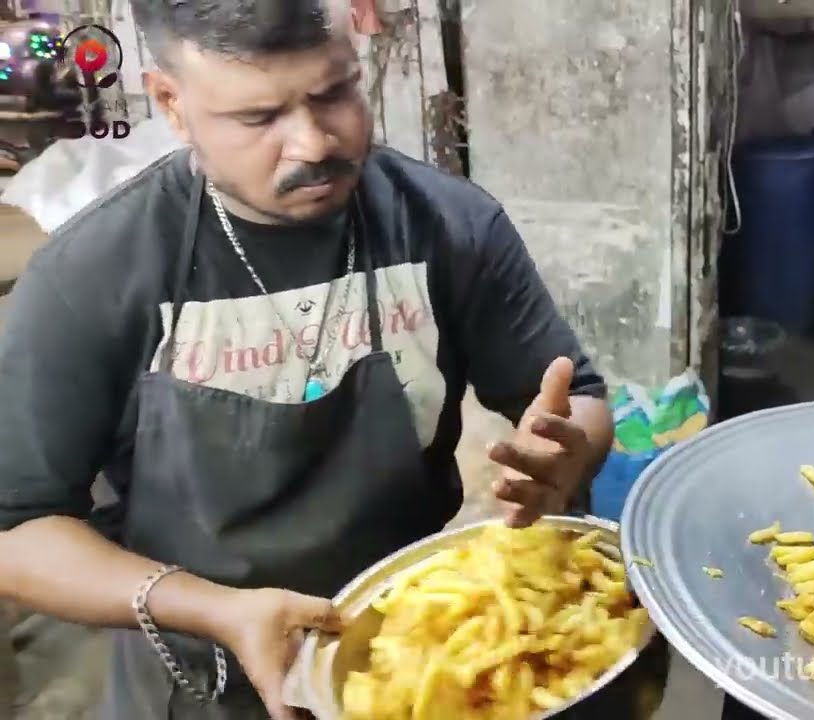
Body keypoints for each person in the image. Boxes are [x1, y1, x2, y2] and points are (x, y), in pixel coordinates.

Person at [0, 0, 615, 717]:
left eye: (335, 93)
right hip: (201, 676)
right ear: (171, 101)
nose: (314, 143)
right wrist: (216, 610)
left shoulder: (448, 225)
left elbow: (580, 397)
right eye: (259, 119)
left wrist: (570, 451)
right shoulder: (95, 274)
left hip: (412, 654)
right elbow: (20, 529)